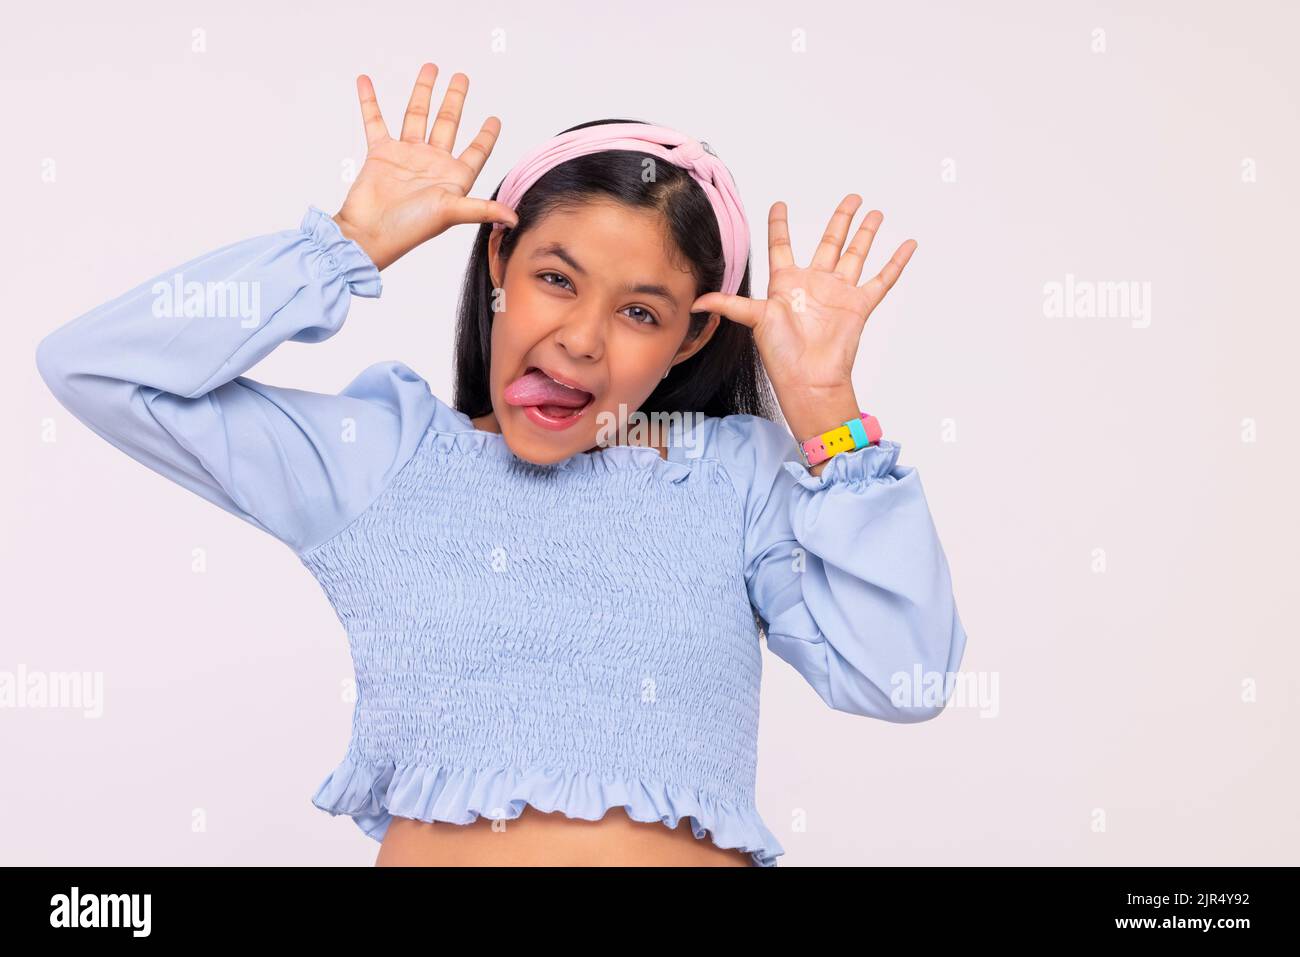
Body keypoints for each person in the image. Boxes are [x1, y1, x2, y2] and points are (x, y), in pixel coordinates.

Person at [35, 62, 968, 867]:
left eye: (641, 312)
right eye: (555, 278)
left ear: (689, 340)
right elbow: (97, 369)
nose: (581, 339)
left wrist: (829, 420)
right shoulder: (385, 457)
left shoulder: (729, 475)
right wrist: (342, 249)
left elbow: (901, 677)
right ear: (498, 260)